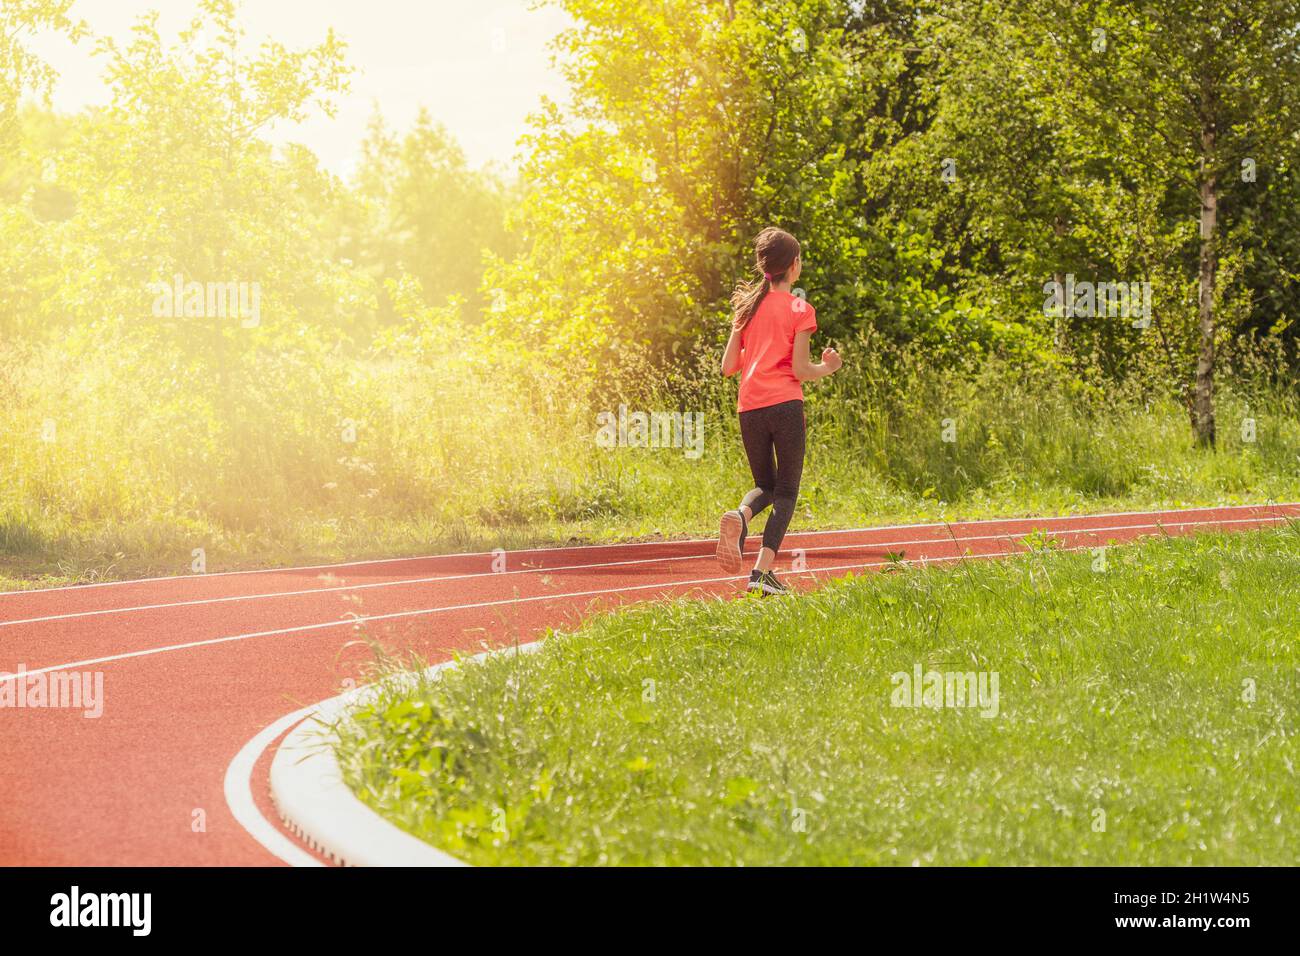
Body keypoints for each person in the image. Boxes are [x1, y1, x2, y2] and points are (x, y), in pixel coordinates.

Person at [716, 227, 842, 595]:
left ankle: (741, 516)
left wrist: (756, 349)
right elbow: (801, 370)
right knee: (785, 491)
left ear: (765, 266)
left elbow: (727, 367)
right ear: (795, 266)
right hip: (785, 404)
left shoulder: (746, 308)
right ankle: (760, 573)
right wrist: (828, 368)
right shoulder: (801, 308)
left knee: (764, 487)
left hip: (749, 406)